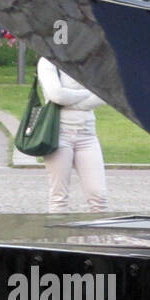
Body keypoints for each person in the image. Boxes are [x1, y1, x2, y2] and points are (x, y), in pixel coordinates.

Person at [37, 56, 108, 212]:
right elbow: (56, 95)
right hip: (59, 134)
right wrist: (87, 92)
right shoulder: (48, 62)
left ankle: (100, 236)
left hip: (87, 134)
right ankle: (59, 236)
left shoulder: (91, 62)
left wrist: (69, 101)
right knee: (59, 198)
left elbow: (104, 95)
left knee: (99, 196)